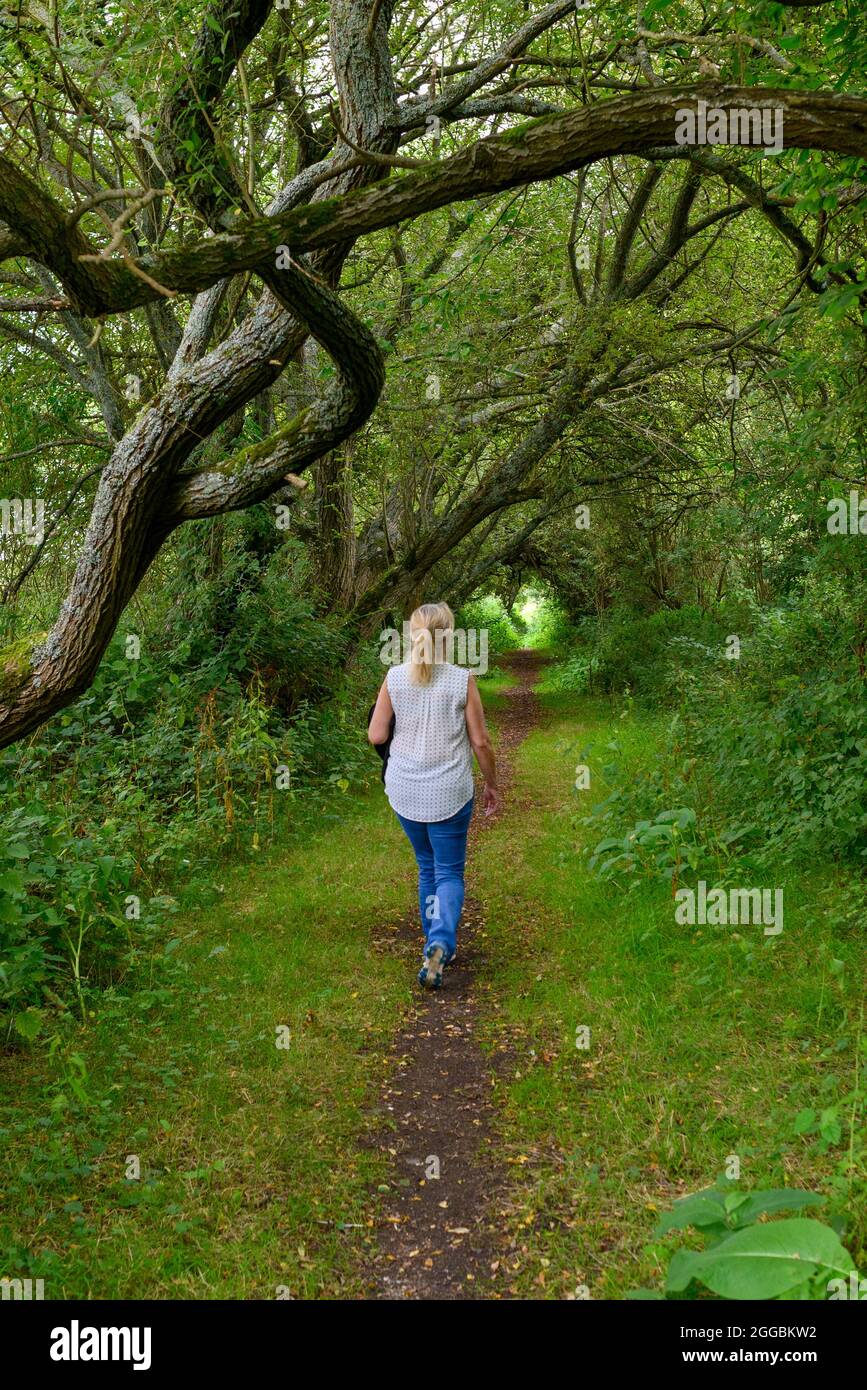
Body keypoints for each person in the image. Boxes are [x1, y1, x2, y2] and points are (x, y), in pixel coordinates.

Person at [368, 602, 500, 990]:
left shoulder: (394, 678)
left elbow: (376, 735)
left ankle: (434, 943)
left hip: (405, 788)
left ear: (412, 634)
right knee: (448, 872)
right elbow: (481, 741)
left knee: (427, 867)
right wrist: (492, 783)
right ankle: (440, 941)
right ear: (449, 636)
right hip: (450, 791)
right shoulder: (462, 680)